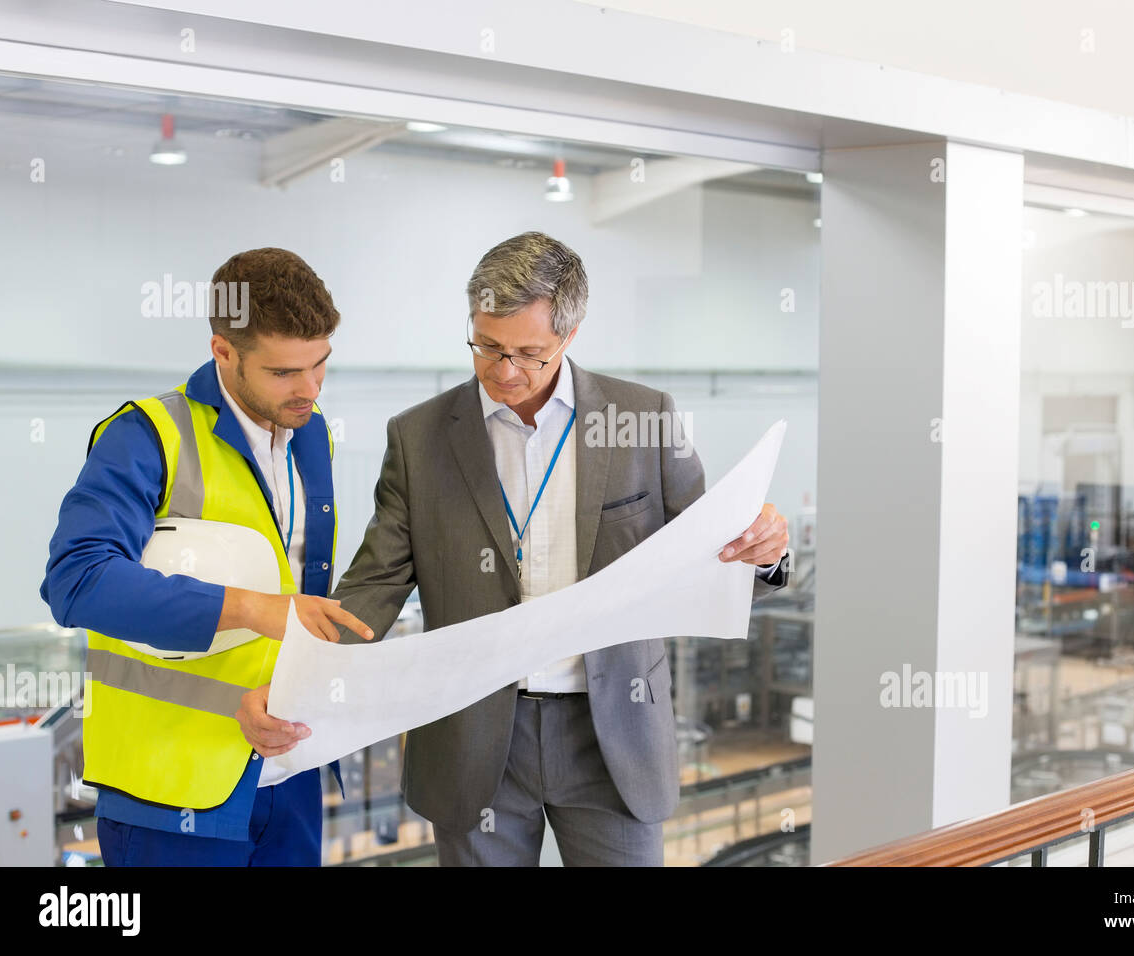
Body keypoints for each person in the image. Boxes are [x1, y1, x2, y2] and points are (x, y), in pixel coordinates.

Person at [301, 231, 790, 865]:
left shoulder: (643, 419)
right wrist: (302, 678)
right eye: (487, 346)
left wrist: (765, 550)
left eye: (529, 353)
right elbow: (376, 584)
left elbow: (711, 552)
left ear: (569, 335)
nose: (504, 372)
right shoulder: (420, 438)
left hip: (612, 733)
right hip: (473, 737)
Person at [40, 247, 373, 866]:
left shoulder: (312, 435)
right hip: (169, 793)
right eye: (283, 373)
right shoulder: (146, 436)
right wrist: (250, 608)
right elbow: (75, 580)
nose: (309, 391)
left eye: (320, 364)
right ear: (224, 351)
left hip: (290, 774)